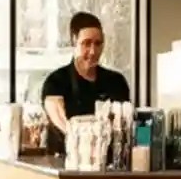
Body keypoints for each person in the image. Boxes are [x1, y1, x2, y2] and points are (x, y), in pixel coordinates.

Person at [40, 12, 132, 155]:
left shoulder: (116, 82)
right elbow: (58, 118)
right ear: (73, 41)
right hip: (66, 160)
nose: (93, 51)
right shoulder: (56, 81)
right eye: (86, 43)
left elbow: (124, 124)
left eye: (98, 43)